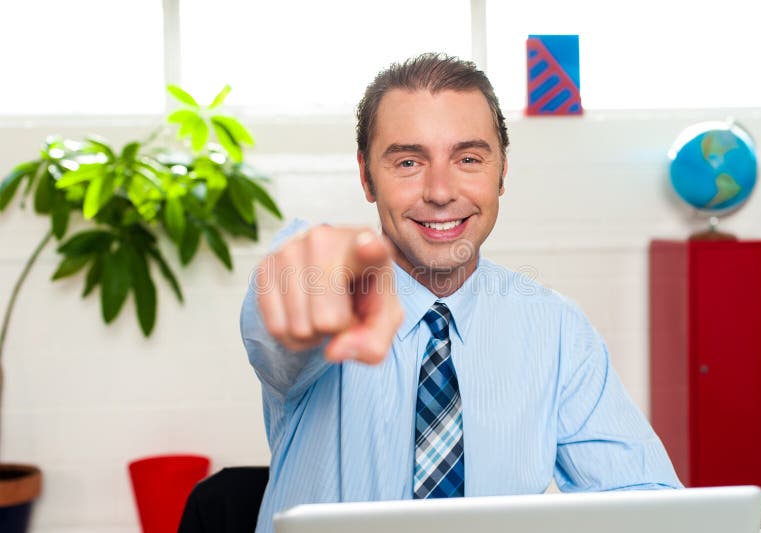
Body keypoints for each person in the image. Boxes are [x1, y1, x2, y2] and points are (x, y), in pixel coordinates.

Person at [240, 53, 680, 533]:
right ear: (366, 176)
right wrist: (311, 277)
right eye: (409, 162)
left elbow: (645, 501)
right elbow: (284, 313)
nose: (440, 191)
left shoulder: (556, 329)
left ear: (502, 171)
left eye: (468, 159)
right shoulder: (333, 299)